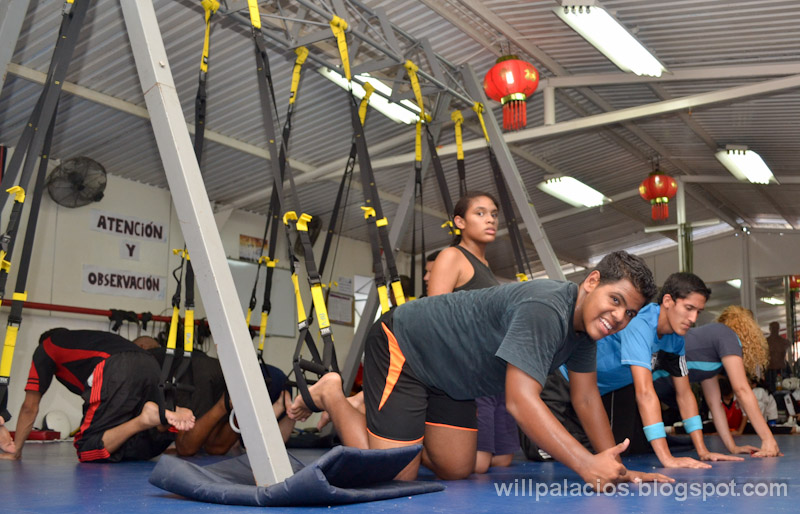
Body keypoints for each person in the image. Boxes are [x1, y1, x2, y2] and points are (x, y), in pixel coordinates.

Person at [290, 250, 672, 488]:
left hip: (453, 380)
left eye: (630, 313)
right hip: (407, 345)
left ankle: (392, 425)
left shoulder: (584, 333)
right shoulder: (547, 308)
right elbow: (520, 402)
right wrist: (587, 465)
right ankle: (333, 394)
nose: (619, 317)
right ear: (591, 282)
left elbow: (586, 398)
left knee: (458, 469)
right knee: (393, 477)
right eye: (615, 300)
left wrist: (615, 466)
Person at [528, 272, 740, 469]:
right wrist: (667, 459)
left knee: (603, 455)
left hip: (589, 398)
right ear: (667, 301)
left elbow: (685, 395)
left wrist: (702, 451)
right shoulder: (640, 324)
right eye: (688, 308)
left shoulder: (676, 340)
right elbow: (645, 393)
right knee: (557, 454)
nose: (693, 319)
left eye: (698, 312)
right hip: (559, 383)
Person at [1, 328, 194, 462]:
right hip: (151, 365)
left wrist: (16, 449)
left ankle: (145, 419)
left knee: (87, 449)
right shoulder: (85, 340)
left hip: (116, 367)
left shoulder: (46, 347)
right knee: (132, 446)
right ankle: (160, 421)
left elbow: (30, 405)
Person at [428, 191, 517, 474]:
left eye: (493, 213)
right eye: (480, 213)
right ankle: (409, 446)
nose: (490, 219)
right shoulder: (452, 257)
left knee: (501, 460)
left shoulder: (487, 267)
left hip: (494, 372)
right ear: (460, 222)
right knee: (477, 465)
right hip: (468, 374)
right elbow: (434, 318)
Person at [654, 305, 781, 457]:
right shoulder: (727, 335)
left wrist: (733, 447)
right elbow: (742, 390)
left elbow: (715, 405)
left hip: (655, 387)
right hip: (641, 383)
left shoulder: (712, 354)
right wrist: (768, 439)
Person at [134, 336, 294, 456]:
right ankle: (277, 411)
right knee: (214, 446)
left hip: (266, 380)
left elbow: (185, 448)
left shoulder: (174, 367)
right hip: (267, 382)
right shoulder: (178, 368)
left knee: (190, 446)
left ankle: (278, 410)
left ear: (142, 346)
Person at [766, 321, 790, 391]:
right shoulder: (766, 342)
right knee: (771, 391)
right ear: (770, 329)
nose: (774, 329)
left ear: (779, 329)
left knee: (784, 390)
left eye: (776, 328)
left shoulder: (784, 342)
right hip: (770, 370)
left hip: (781, 369)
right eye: (773, 328)